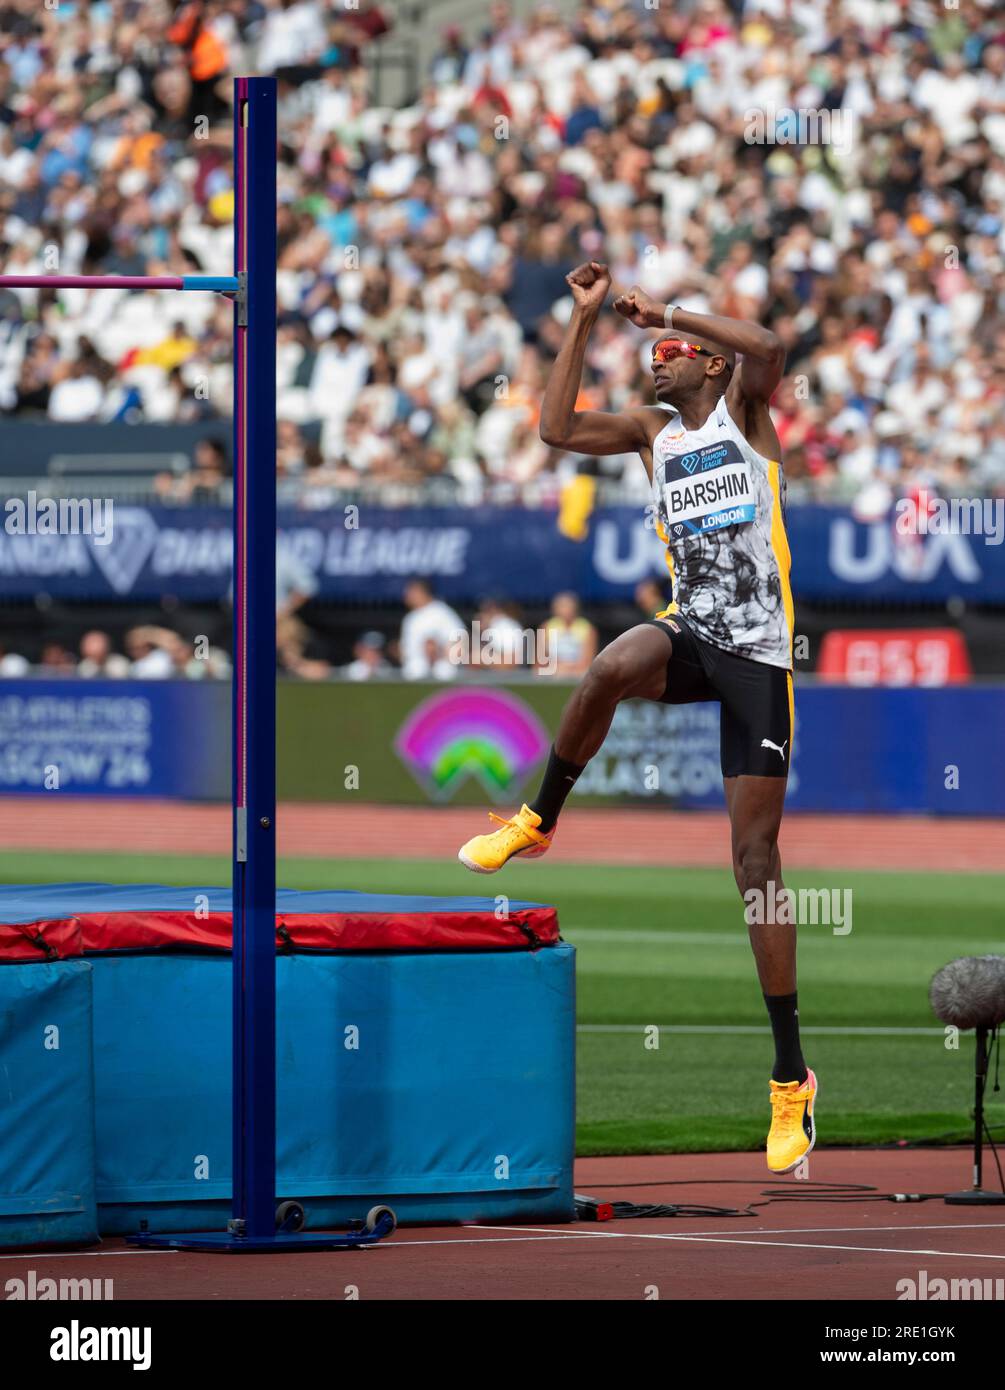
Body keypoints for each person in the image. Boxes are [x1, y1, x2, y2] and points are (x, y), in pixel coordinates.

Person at [458, 260, 814, 1175]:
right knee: (607, 666)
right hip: (689, 632)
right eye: (651, 352)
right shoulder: (653, 436)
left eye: (672, 355)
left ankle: (788, 1080)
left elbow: (770, 345)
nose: (656, 362)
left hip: (758, 658)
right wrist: (581, 321)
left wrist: (671, 308)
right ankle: (537, 821)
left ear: (709, 365)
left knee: (754, 863)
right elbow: (551, 428)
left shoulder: (748, 419)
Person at [399, 579, 465, 680]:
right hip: (414, 669)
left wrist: (440, 653)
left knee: (444, 671)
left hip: (442, 667)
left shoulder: (442, 612)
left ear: (423, 592)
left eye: (411, 592)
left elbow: (460, 641)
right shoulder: (410, 618)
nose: (407, 596)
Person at [538, 592, 596, 677]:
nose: (565, 610)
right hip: (551, 673)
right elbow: (539, 662)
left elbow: (588, 661)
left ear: (575, 608)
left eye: (567, 606)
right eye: (561, 606)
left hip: (578, 674)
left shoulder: (588, 629)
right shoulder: (546, 627)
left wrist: (568, 670)